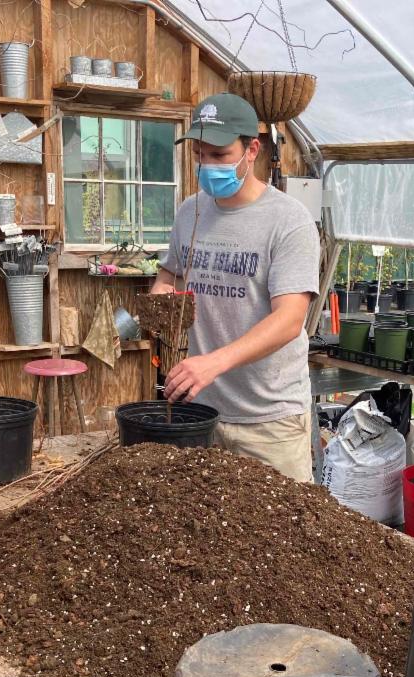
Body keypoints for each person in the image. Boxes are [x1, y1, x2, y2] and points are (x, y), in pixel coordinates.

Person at [151, 93, 320, 482]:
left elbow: (289, 319)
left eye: (220, 155)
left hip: (269, 420)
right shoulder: (190, 210)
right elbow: (170, 276)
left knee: (281, 536)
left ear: (251, 150)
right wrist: (159, 303)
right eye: (201, 155)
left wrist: (213, 362)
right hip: (202, 412)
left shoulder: (288, 221)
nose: (208, 166)